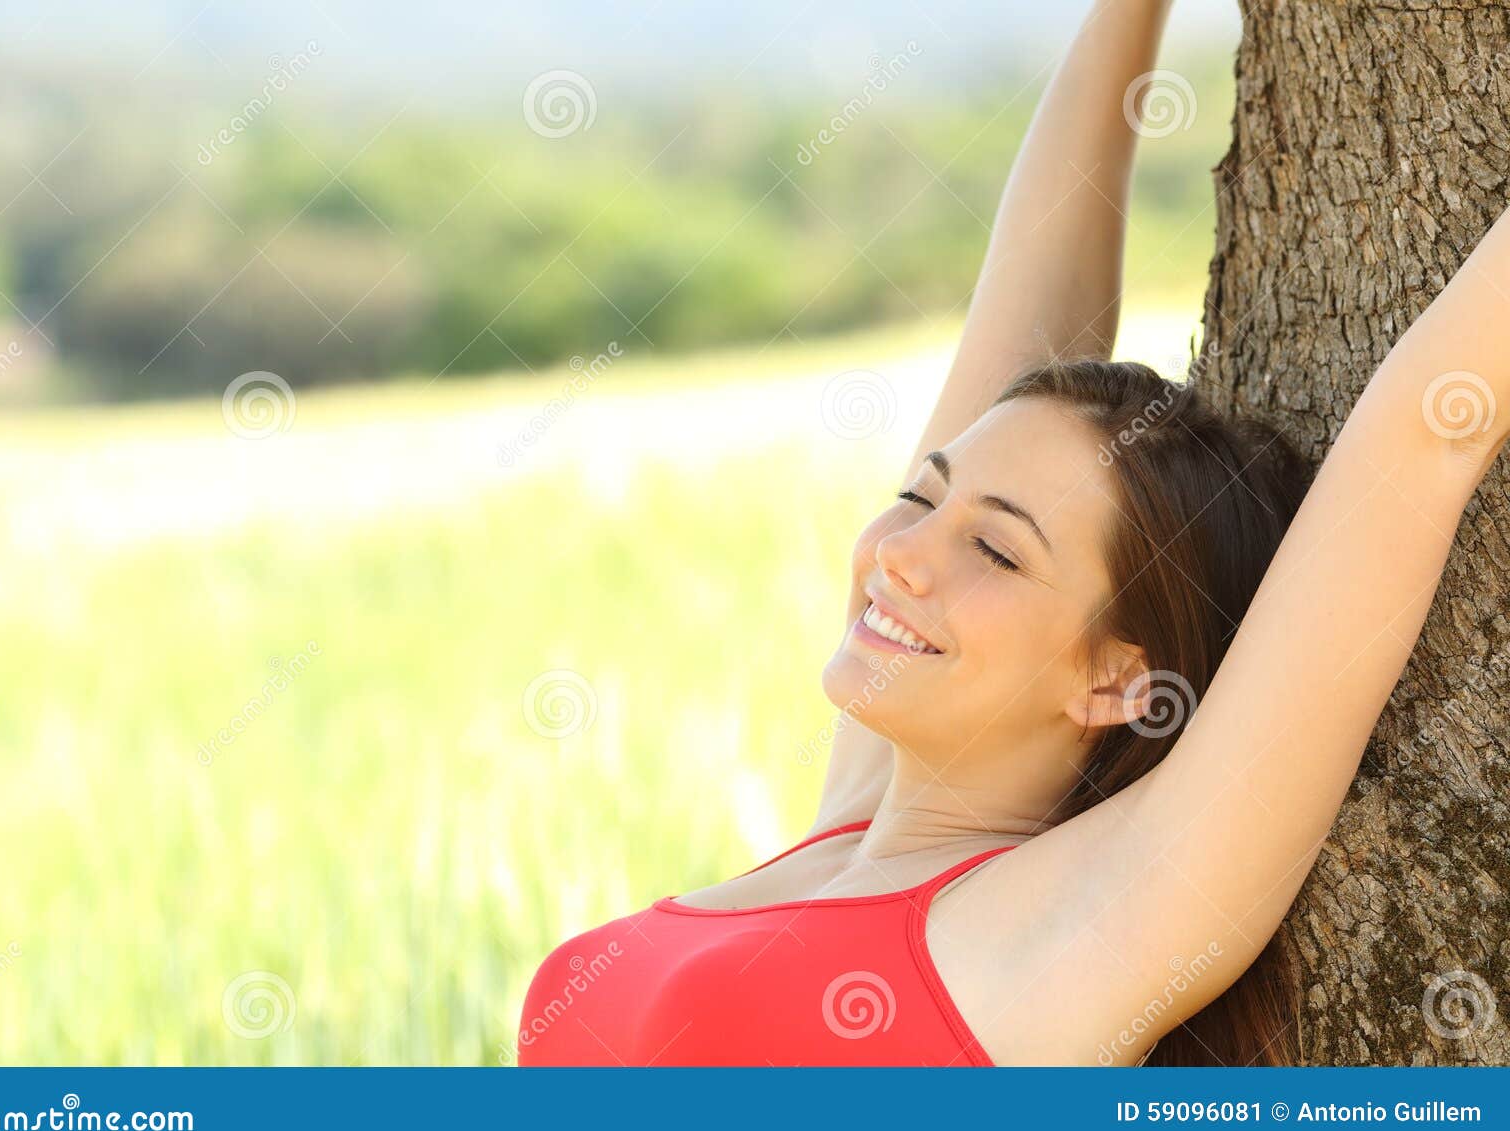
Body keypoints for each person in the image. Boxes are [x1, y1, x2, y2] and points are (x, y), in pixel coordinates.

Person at [516, 0, 1510, 1065]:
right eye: (920, 496)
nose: (901, 554)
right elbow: (1036, 282)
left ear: (1118, 678)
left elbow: (1421, 435)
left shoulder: (1081, 931)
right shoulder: (859, 822)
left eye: (993, 549)